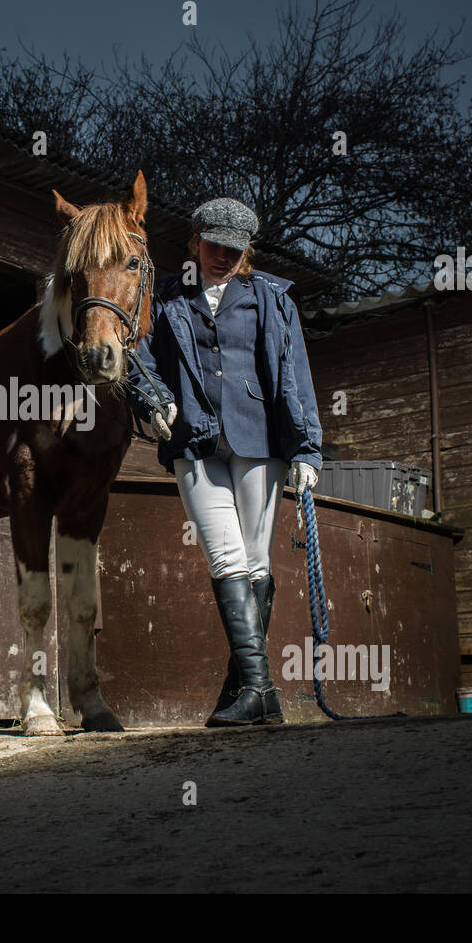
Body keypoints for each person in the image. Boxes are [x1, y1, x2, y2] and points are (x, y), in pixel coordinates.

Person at [124, 198, 323, 725]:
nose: (223, 258)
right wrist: (154, 399)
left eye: (234, 251)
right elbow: (136, 359)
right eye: (214, 247)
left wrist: (307, 448)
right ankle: (260, 692)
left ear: (246, 251)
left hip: (260, 443)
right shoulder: (164, 295)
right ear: (195, 243)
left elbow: (295, 373)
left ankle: (252, 692)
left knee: (256, 563)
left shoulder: (272, 297)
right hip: (193, 441)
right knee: (226, 559)